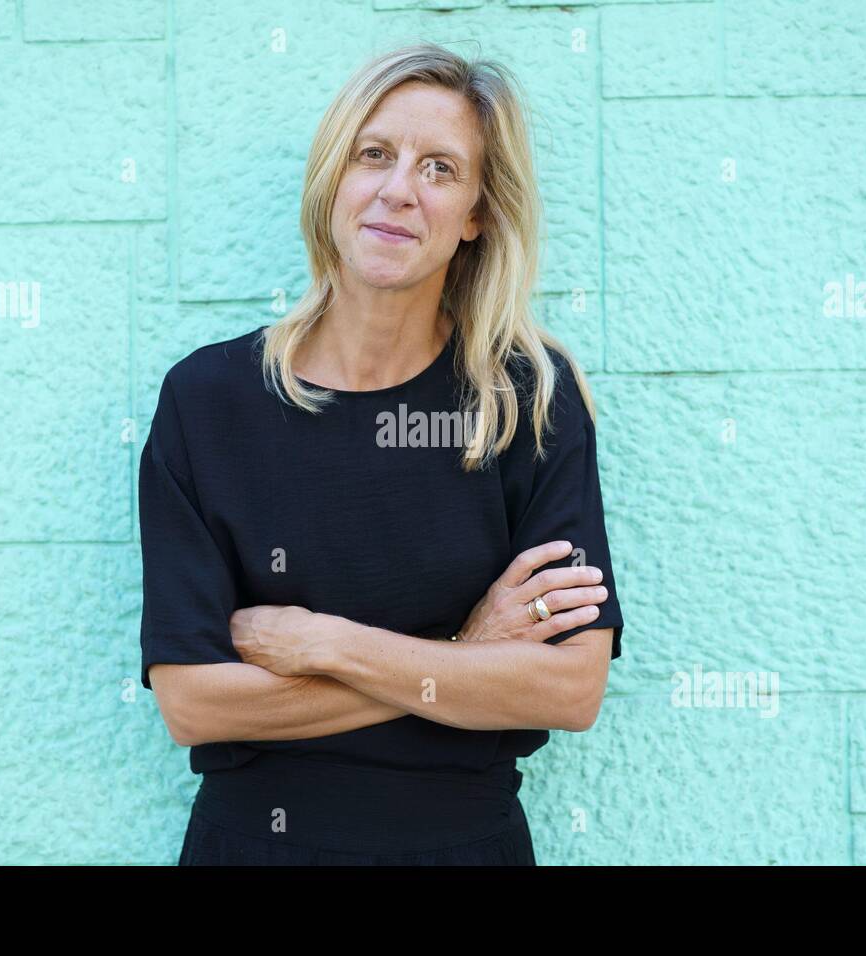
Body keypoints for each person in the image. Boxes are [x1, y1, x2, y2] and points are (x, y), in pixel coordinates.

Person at [139, 41, 625, 866]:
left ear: (476, 213)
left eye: (440, 168)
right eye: (375, 155)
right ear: (334, 179)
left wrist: (322, 644)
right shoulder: (207, 401)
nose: (399, 190)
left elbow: (571, 688)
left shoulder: (526, 400)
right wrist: (463, 660)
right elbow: (195, 704)